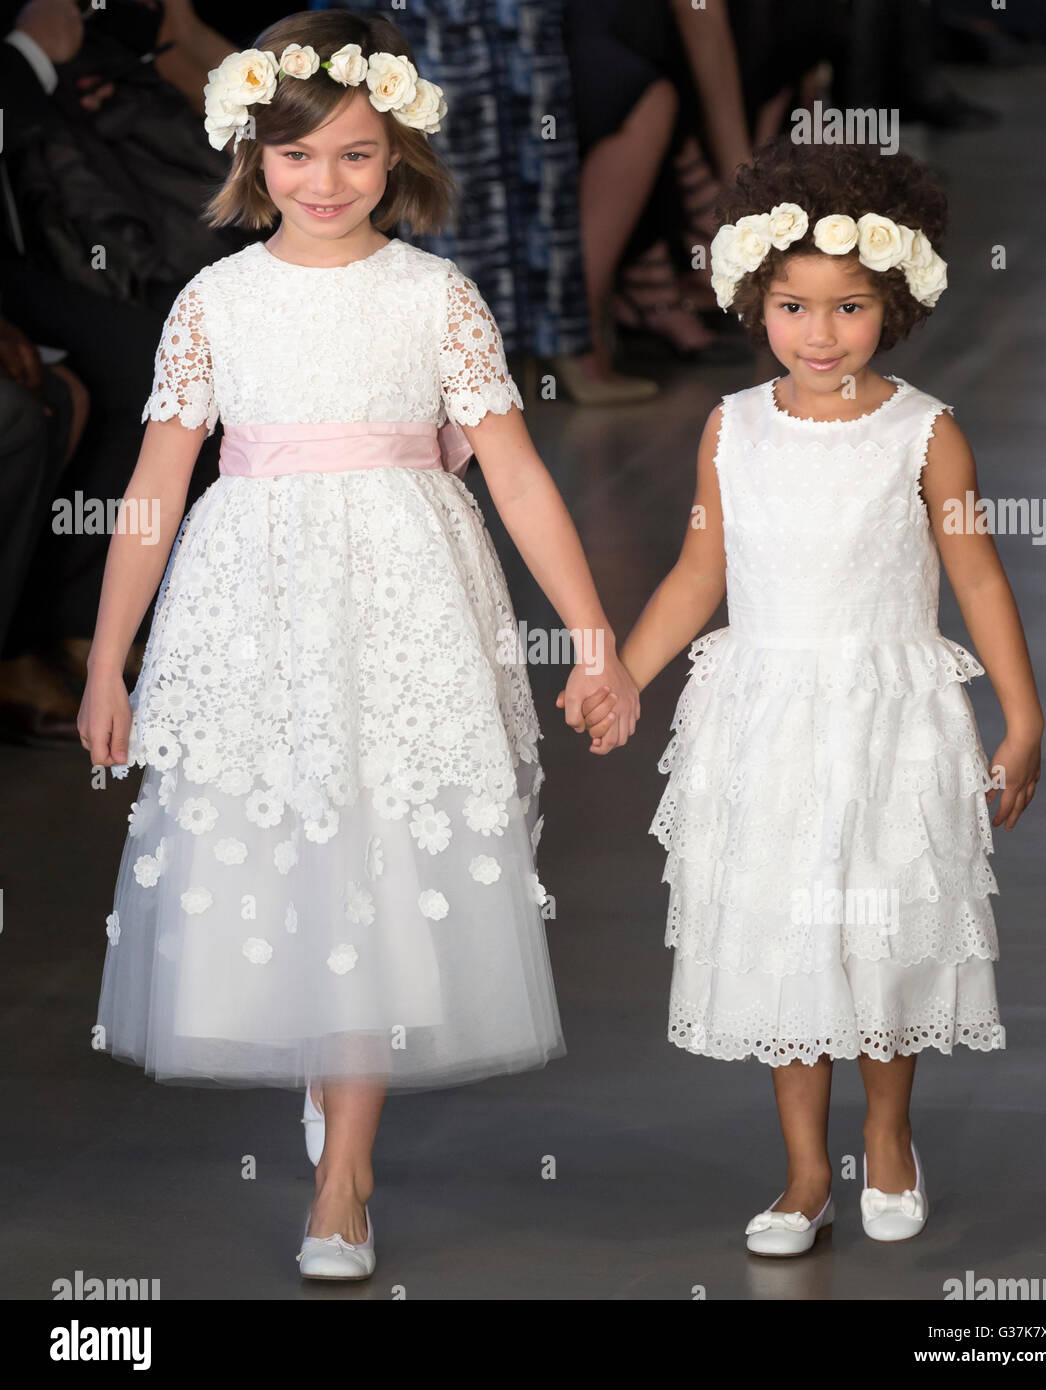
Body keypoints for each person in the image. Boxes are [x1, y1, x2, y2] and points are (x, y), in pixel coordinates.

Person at [78, 8, 640, 1281]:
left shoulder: (434, 296)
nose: (322, 184)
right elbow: (157, 488)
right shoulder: (215, 301)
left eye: (353, 157)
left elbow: (516, 472)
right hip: (253, 599)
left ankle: (344, 1172)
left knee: (381, 838)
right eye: (295, 157)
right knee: (283, 832)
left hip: (404, 597)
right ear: (249, 155)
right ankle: (328, 1101)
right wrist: (110, 654)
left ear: (397, 159)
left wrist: (590, 635)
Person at [576, 139, 1043, 1255]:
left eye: (848, 307)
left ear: (896, 303)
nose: (820, 333)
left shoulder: (924, 433)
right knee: (788, 939)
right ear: (753, 297)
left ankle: (885, 1136)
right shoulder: (730, 427)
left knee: (881, 932)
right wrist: (624, 671)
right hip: (768, 721)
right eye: (793, 305)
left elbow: (975, 573)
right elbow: (699, 570)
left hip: (888, 720)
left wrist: (1020, 719)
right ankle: (800, 1175)